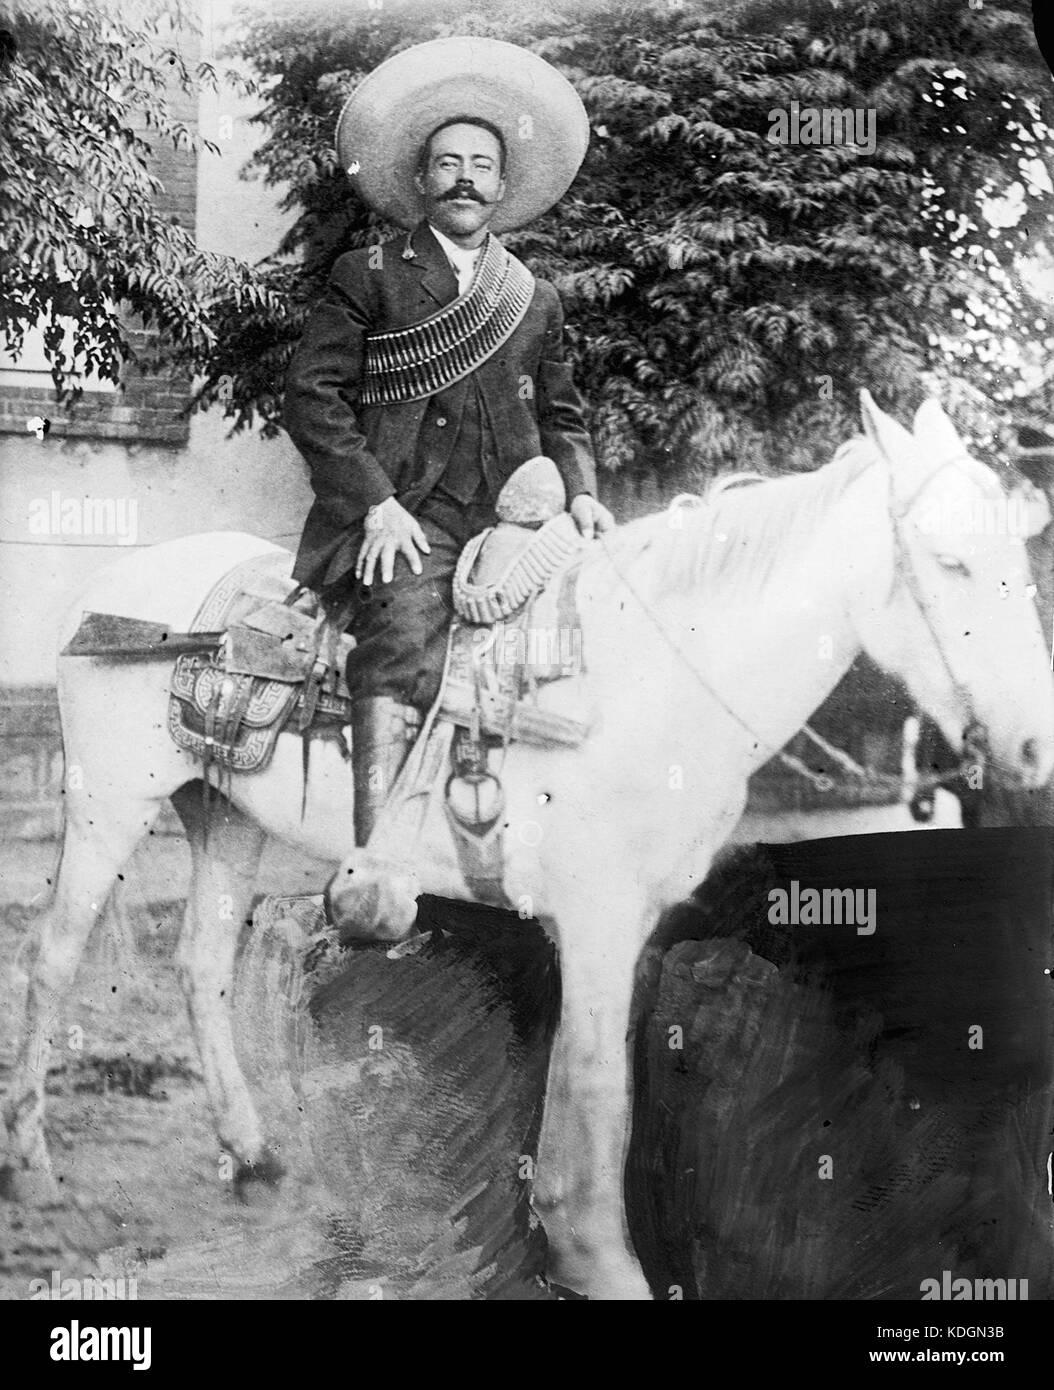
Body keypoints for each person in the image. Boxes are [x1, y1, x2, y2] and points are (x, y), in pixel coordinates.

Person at [283, 36, 612, 845]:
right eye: (448, 163)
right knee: (400, 632)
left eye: (481, 165)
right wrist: (376, 505)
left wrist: (584, 496)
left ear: (503, 185)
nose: (465, 177)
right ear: (423, 181)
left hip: (511, 522)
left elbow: (564, 417)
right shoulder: (368, 274)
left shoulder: (533, 299)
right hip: (406, 517)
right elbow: (311, 397)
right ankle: (377, 862)